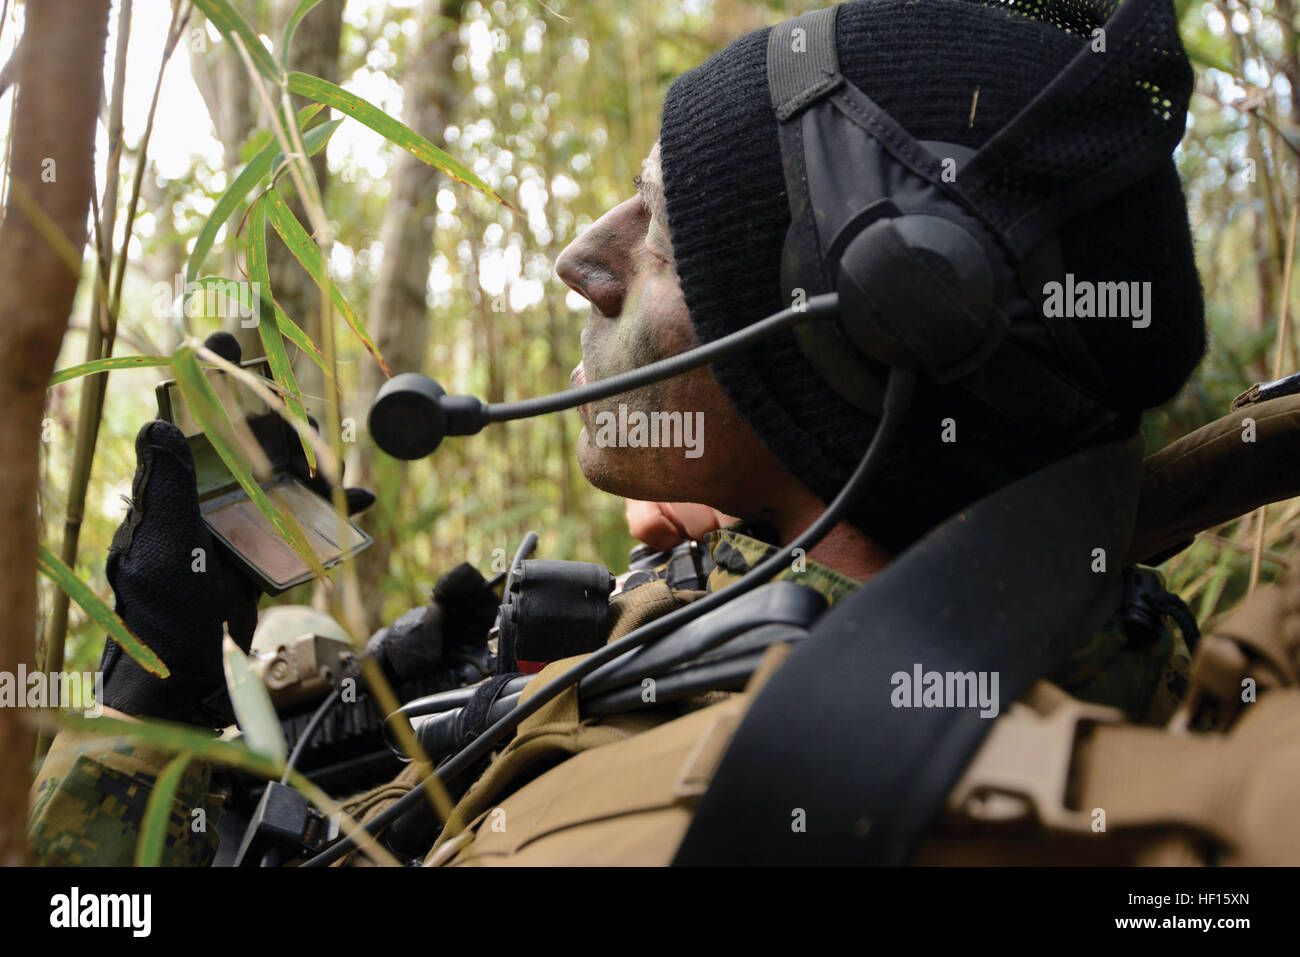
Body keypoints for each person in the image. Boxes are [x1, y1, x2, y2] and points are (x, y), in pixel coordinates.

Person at [28, 0, 1299, 867]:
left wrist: (151, 675)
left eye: (661, 229)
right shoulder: (1095, 631)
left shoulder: (679, 811)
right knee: (308, 640)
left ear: (884, 318)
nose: (584, 258)